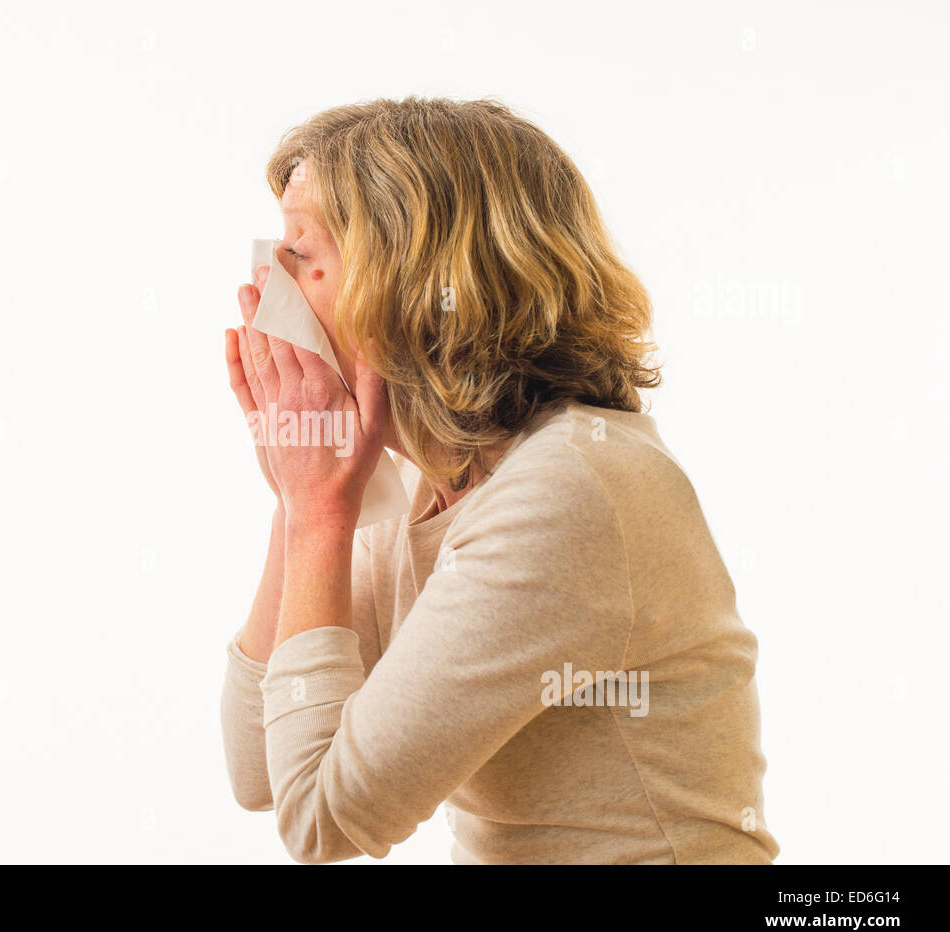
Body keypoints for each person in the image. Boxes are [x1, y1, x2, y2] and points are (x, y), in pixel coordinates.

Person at [219, 96, 779, 864]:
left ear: (413, 281)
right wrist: (301, 496)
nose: (267, 291)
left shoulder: (568, 488)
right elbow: (262, 766)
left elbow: (323, 818)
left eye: (301, 257)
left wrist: (319, 508)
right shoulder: (434, 487)